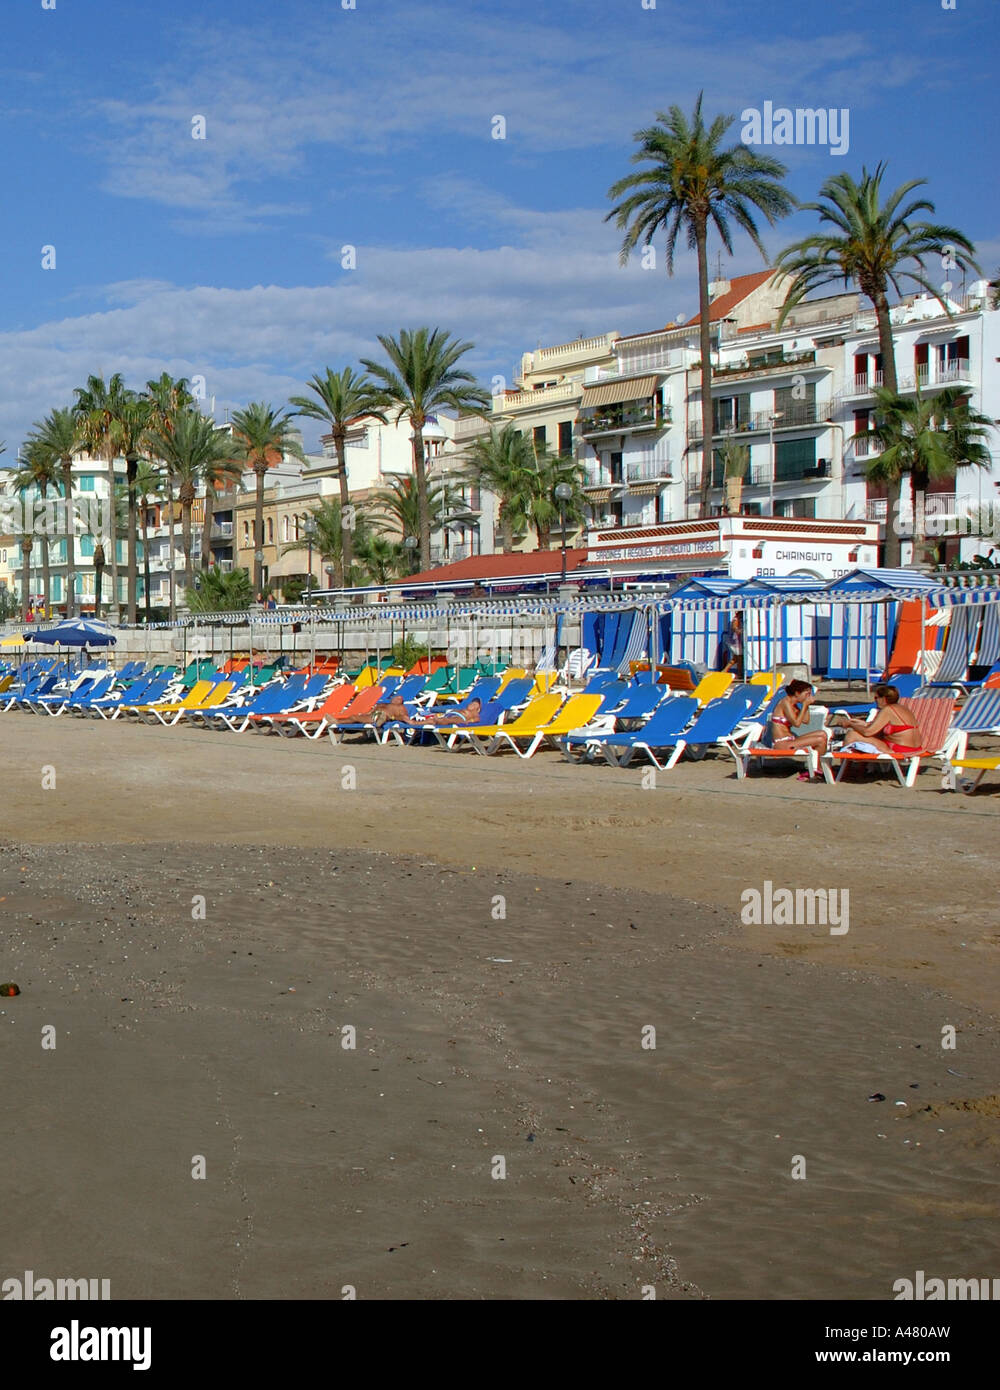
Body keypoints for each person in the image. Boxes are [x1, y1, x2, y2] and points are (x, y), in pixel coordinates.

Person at [832, 684, 922, 758]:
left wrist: (850, 724)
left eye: (876, 698)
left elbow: (868, 732)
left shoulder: (888, 710)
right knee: (862, 733)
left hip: (899, 749)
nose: (875, 700)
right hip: (915, 748)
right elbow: (881, 726)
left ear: (884, 699)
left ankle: (845, 768)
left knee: (852, 734)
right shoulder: (902, 708)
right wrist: (863, 723)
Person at [769, 679, 830, 780]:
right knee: (820, 740)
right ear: (797, 693)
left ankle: (817, 768)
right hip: (781, 743)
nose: (809, 697)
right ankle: (817, 769)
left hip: (790, 740)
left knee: (822, 734)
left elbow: (806, 720)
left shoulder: (794, 705)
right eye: (807, 694)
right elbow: (796, 723)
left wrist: (806, 705)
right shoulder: (785, 702)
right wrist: (805, 704)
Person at [721, 612, 744, 676]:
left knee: (736, 658)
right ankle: (739, 673)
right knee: (739, 657)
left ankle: (725, 670)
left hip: (736, 642)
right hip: (735, 642)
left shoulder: (738, 619)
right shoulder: (736, 619)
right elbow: (734, 627)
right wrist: (739, 630)